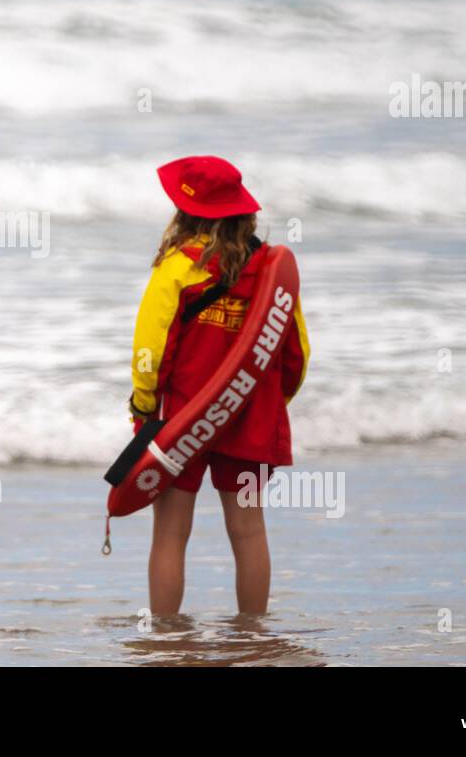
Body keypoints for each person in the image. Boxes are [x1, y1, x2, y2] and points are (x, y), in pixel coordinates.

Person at [129, 156, 309, 616]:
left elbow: (151, 351)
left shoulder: (177, 268)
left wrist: (144, 408)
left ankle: (166, 638)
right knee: (248, 529)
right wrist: (264, 400)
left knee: (170, 532)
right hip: (249, 418)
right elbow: (296, 353)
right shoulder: (272, 269)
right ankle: (252, 636)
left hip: (182, 421)